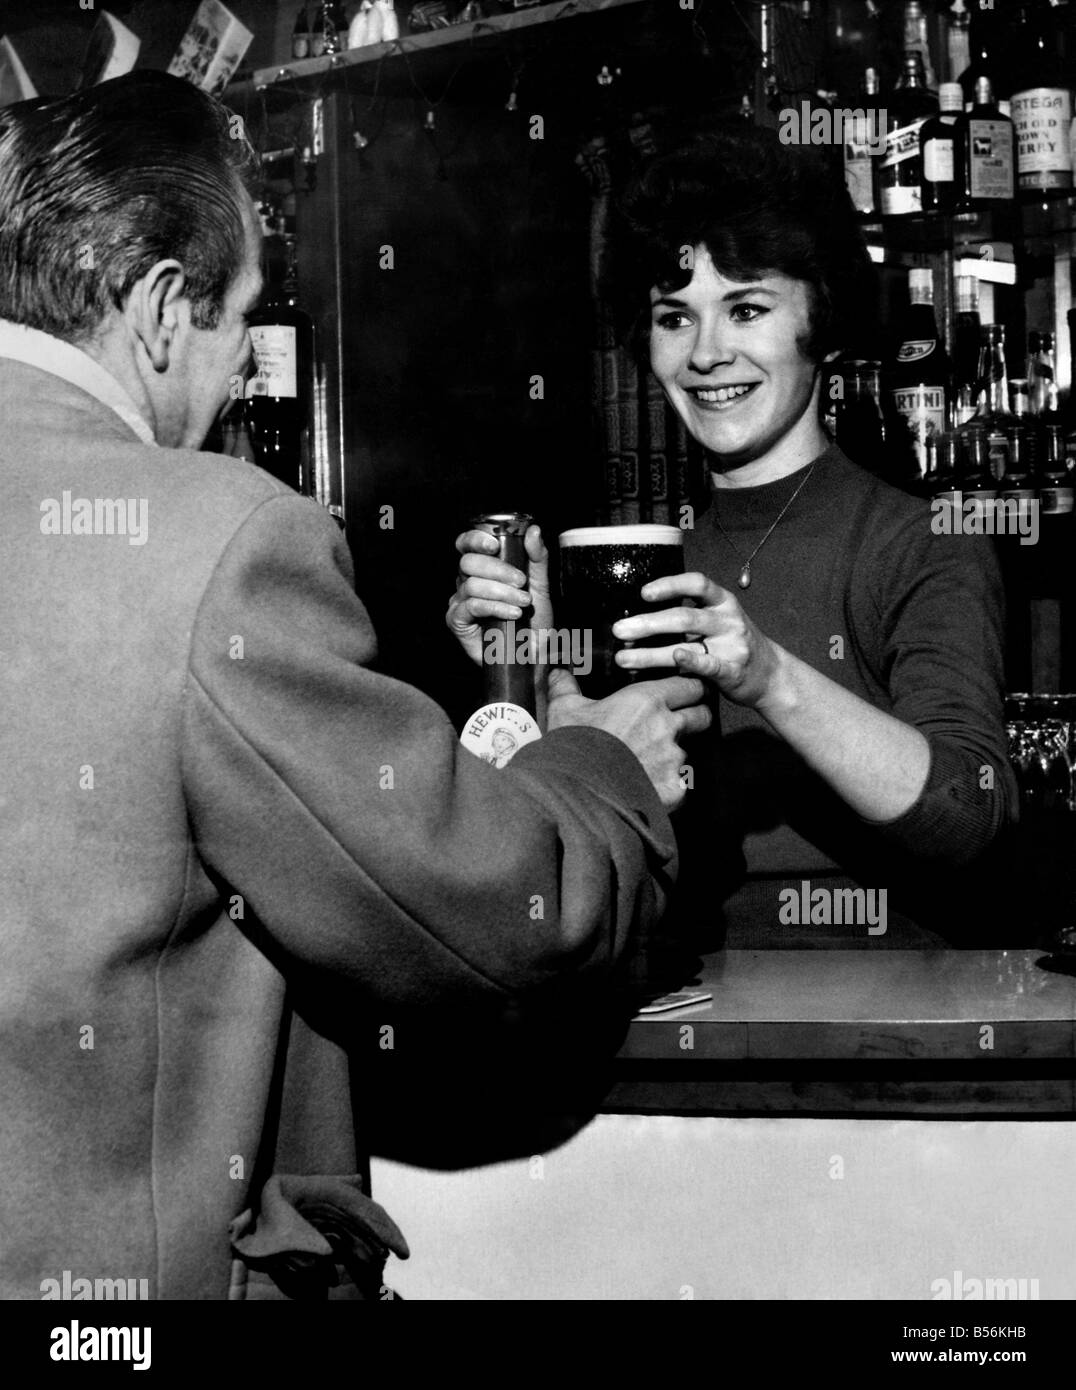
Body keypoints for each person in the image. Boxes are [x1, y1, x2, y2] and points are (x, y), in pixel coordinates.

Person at [0, 72, 711, 1301]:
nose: (246, 371)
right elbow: (492, 912)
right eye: (241, 320)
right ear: (161, 309)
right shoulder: (215, 540)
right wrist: (603, 765)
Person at [449, 128, 1017, 950]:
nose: (708, 354)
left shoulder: (920, 542)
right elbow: (554, 858)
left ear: (821, 320)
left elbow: (972, 815)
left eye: (747, 309)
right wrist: (525, 677)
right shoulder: (642, 567)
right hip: (676, 1009)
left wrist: (768, 675)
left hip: (881, 1016)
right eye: (674, 318)